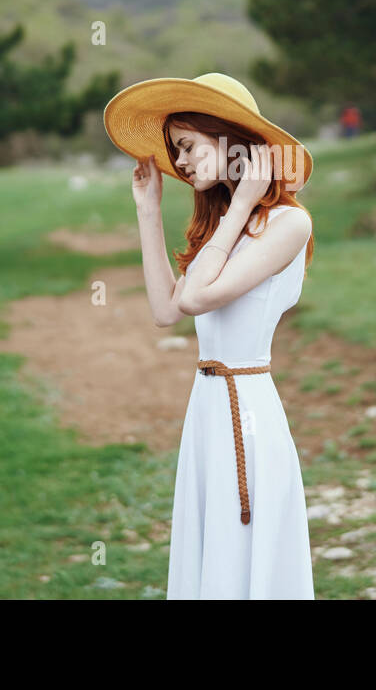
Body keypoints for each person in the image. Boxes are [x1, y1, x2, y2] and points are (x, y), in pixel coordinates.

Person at [102, 72, 315, 599]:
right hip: (207, 407)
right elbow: (164, 310)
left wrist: (243, 204)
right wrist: (147, 210)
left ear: (230, 141)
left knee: (243, 550)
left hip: (247, 410)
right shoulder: (222, 228)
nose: (181, 162)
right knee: (208, 550)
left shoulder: (287, 224)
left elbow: (194, 299)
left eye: (189, 146)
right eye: (177, 151)